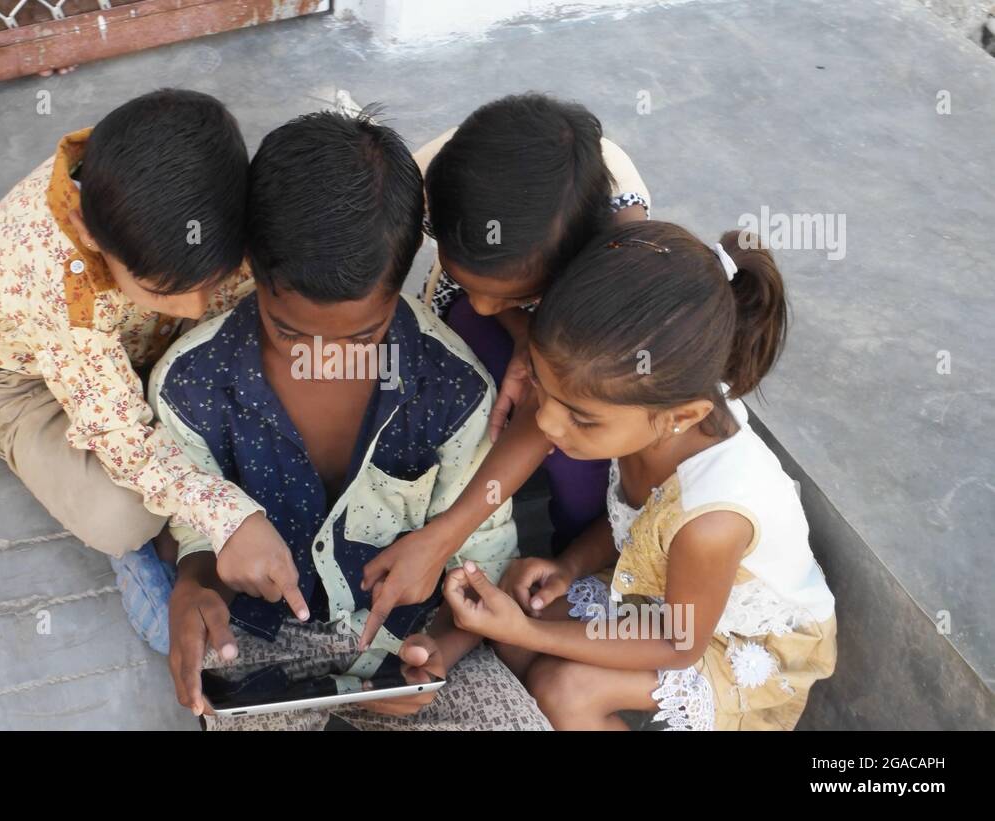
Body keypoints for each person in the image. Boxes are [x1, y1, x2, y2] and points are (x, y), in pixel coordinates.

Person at [148, 109, 551, 730]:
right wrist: (191, 587)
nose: (323, 358)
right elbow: (198, 527)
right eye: (288, 331)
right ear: (251, 264)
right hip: (259, 633)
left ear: (404, 283)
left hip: (410, 629)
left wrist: (438, 650)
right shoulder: (191, 383)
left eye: (364, 335)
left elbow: (480, 560)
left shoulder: (453, 386)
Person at [0, 89, 309, 655]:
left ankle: (185, 502)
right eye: (165, 291)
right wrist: (229, 519)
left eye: (211, 282)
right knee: (121, 516)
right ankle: (155, 546)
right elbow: (123, 440)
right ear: (93, 240)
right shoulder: (57, 276)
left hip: (145, 349)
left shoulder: (205, 209)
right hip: (33, 381)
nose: (196, 306)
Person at [442, 220, 837, 730]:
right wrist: (568, 566)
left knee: (565, 690)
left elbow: (677, 642)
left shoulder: (712, 519)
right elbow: (638, 523)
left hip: (728, 641)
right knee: (522, 610)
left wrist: (528, 633)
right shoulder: (652, 419)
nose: (546, 423)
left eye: (579, 417)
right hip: (667, 599)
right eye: (541, 388)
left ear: (683, 416)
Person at [359, 94, 652, 647]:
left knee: (578, 463)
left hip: (571, 323)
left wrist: (443, 539)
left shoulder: (617, 258)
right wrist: (518, 328)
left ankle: (566, 570)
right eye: (469, 279)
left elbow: (546, 418)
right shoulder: (427, 178)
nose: (489, 304)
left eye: (510, 293)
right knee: (460, 391)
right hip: (493, 309)